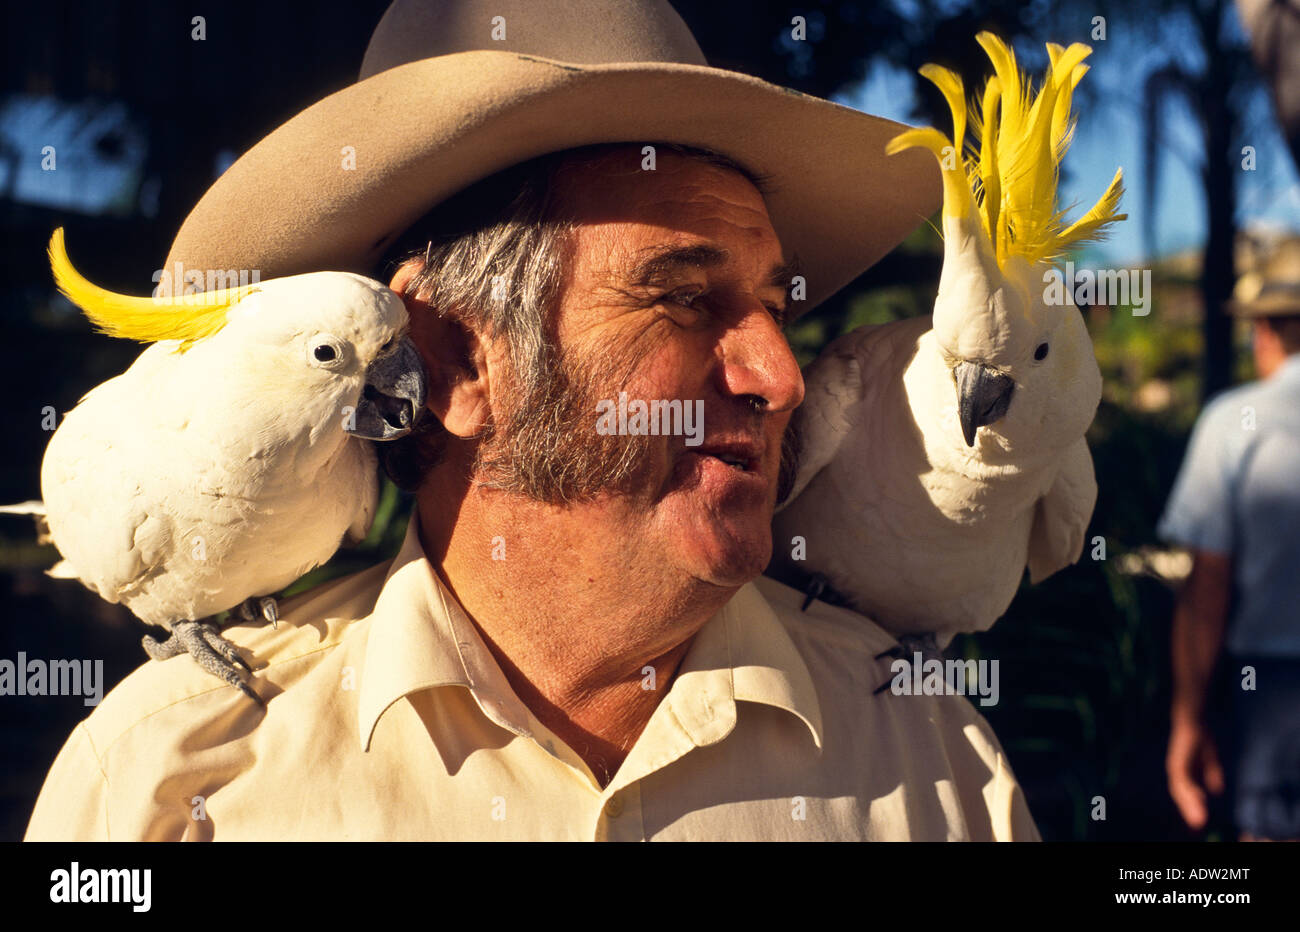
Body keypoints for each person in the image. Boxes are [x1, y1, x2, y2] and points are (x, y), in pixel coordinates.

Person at [25, 0, 1038, 841]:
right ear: (454, 359)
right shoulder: (167, 780)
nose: (781, 376)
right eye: (682, 298)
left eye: (776, 307)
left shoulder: (937, 760)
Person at [1161, 237, 1300, 841]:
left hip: (1274, 685)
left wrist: (1188, 718)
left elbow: (1207, 585)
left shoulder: (1235, 423)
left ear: (1266, 329)